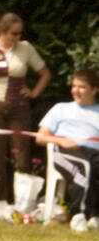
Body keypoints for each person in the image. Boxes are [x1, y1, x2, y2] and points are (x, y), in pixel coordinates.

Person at [0, 11, 51, 204]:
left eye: (20, 33)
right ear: (2, 32)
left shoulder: (26, 48)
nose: (17, 37)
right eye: (14, 33)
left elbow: (45, 73)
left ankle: (23, 204)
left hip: (19, 109)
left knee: (23, 158)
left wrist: (34, 92)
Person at [36, 67, 99, 231]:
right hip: (65, 152)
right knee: (84, 167)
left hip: (93, 152)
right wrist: (62, 141)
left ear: (94, 90)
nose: (76, 91)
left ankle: (94, 215)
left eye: (82, 87)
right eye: (74, 86)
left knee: (90, 164)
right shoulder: (61, 108)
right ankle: (78, 215)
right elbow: (40, 137)